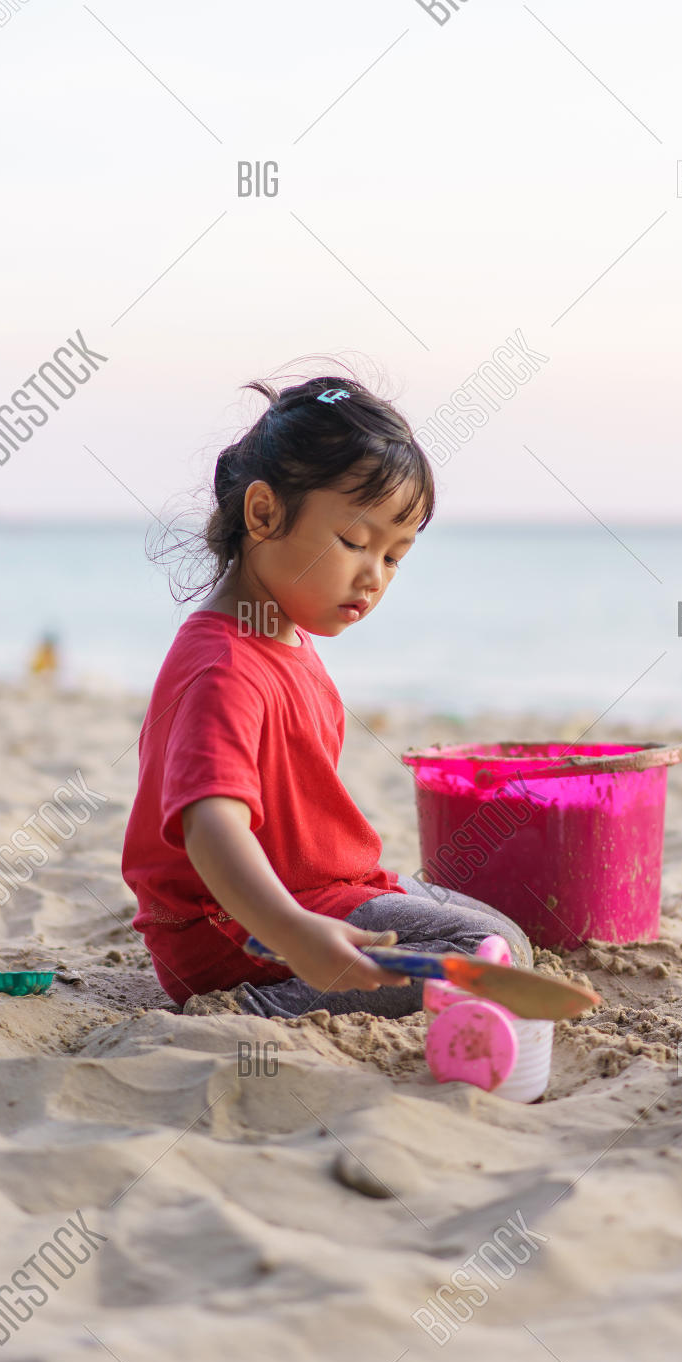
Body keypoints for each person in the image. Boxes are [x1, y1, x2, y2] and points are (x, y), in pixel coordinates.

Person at [121, 371, 532, 1019]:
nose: (373, 577)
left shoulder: (282, 634)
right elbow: (210, 824)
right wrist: (291, 931)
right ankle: (261, 1007)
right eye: (354, 543)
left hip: (319, 892)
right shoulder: (222, 664)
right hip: (236, 930)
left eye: (393, 558)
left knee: (499, 931)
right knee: (485, 949)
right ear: (263, 514)